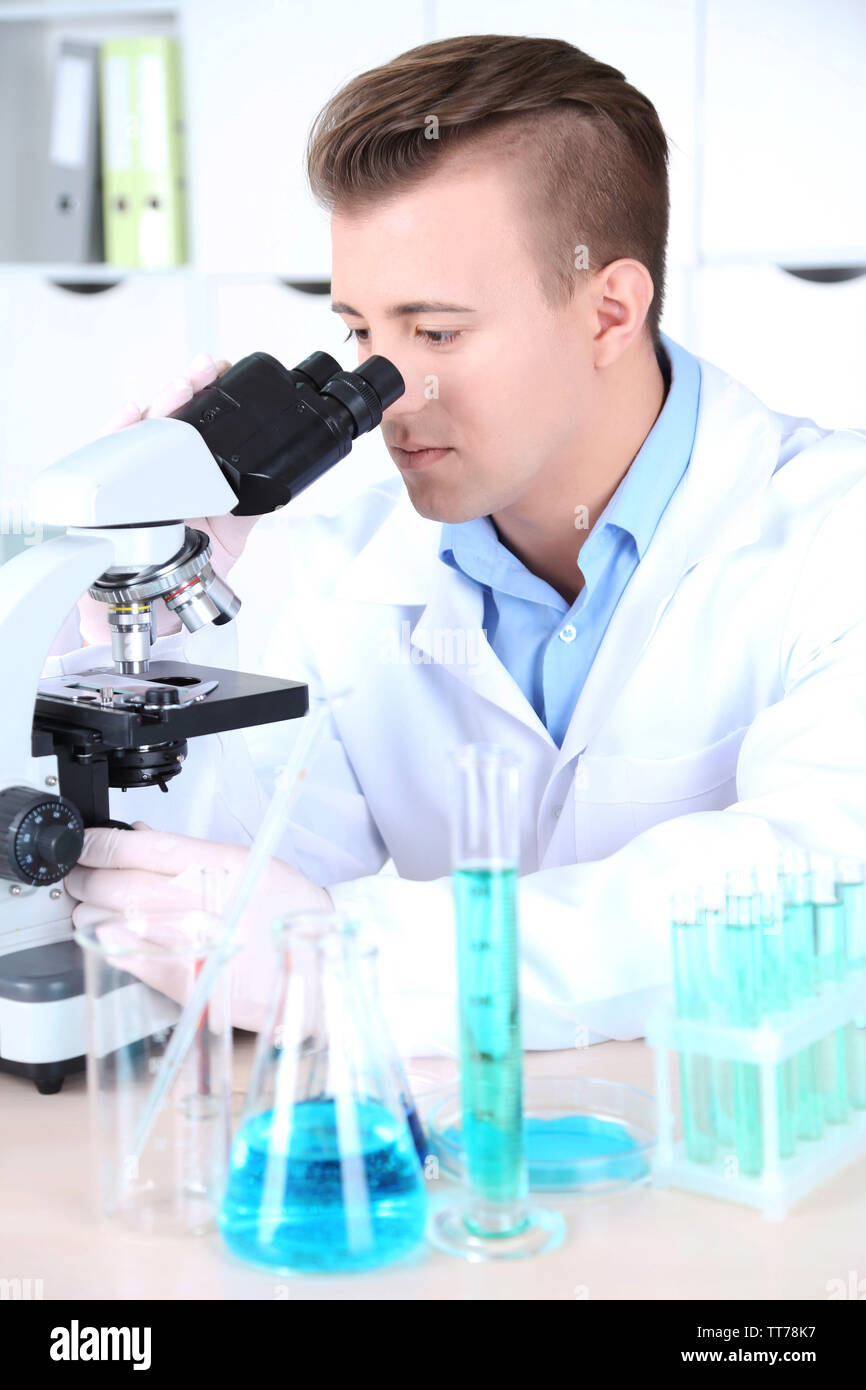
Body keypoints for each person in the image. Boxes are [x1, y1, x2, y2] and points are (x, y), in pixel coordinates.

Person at [59, 34, 866, 1054]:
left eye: (434, 332)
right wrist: (140, 634)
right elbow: (227, 909)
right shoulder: (342, 567)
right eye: (358, 332)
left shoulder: (839, 534)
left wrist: (345, 961)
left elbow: (825, 888)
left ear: (608, 310)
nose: (387, 398)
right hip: (462, 1174)